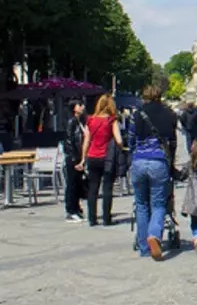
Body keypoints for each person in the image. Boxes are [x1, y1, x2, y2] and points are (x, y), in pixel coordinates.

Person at [130, 85, 178, 260]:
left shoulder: (137, 114)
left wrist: (132, 158)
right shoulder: (170, 114)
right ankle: (154, 234)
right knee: (158, 204)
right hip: (158, 161)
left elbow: (131, 139)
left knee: (141, 204)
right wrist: (171, 163)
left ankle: (144, 247)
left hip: (139, 161)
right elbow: (172, 142)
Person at [78, 94, 125, 227]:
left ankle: (92, 218)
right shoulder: (112, 120)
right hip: (107, 158)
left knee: (93, 188)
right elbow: (119, 139)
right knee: (107, 188)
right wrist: (121, 147)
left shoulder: (90, 120)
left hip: (92, 156)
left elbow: (86, 140)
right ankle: (106, 218)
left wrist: (83, 159)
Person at [63, 101, 87, 222]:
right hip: (73, 158)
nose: (82, 107)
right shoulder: (71, 121)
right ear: (74, 108)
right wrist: (74, 158)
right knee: (72, 184)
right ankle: (70, 210)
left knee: (77, 184)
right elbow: (69, 140)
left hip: (78, 157)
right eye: (79, 105)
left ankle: (76, 208)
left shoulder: (79, 121)